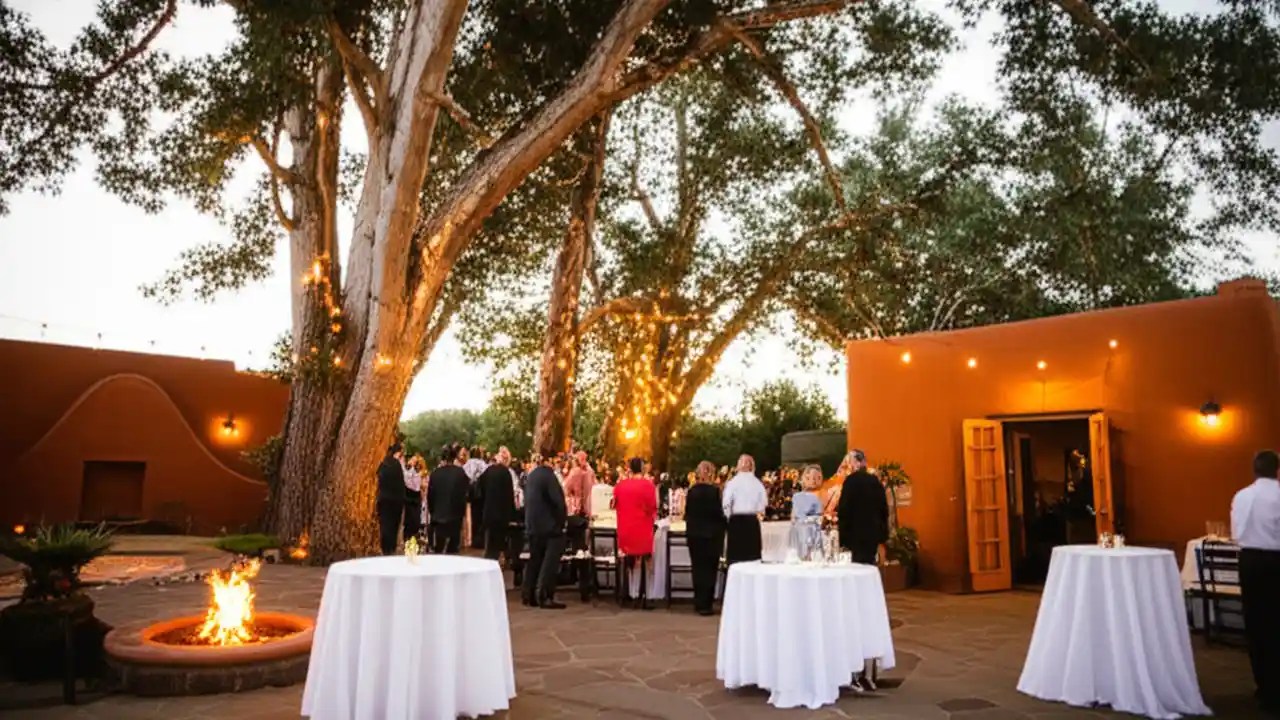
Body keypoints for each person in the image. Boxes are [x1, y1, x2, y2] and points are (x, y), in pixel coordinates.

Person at [1231, 449, 1280, 715]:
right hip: (1276, 562)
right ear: (1277, 470)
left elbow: (1237, 532)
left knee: (1256, 624)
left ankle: (1264, 686)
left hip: (1248, 562)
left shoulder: (1241, 496)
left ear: (1255, 470)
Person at [523, 450, 568, 609]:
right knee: (550, 561)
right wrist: (562, 521)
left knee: (535, 559)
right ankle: (544, 594)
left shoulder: (532, 476)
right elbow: (558, 502)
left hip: (533, 525)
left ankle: (528, 593)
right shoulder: (550, 477)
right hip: (549, 526)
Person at [615, 457, 659, 606]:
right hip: (642, 532)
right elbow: (653, 507)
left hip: (625, 533)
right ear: (643, 468)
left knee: (627, 555)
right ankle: (646, 593)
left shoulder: (620, 486)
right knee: (647, 558)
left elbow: (615, 504)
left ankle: (627, 591)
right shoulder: (648, 486)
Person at [686, 460, 726, 616]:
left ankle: (698, 601)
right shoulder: (716, 492)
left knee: (697, 568)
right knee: (710, 569)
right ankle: (707, 603)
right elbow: (719, 514)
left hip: (695, 534)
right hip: (712, 535)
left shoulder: (692, 492)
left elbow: (688, 512)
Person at [839, 449, 888, 565]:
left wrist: (842, 538)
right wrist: (882, 537)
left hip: (854, 535)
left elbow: (844, 510)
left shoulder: (849, 482)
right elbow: (883, 510)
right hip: (872, 534)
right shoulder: (875, 481)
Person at [722, 454, 767, 565]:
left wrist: (728, 517)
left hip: (736, 522)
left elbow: (726, 504)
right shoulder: (758, 483)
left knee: (736, 558)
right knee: (752, 557)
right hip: (751, 521)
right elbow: (763, 504)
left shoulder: (732, 483)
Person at [427, 444, 470, 554]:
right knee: (453, 548)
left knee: (439, 548)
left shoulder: (435, 474)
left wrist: (433, 512)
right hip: (455, 516)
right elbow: (464, 494)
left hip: (438, 516)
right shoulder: (460, 473)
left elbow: (430, 496)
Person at [478, 447, 516, 562]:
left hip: (488, 511)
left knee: (489, 543)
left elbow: (479, 490)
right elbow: (510, 495)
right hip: (502, 514)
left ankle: (488, 562)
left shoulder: (488, 471)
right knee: (499, 542)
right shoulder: (507, 473)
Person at [376, 443, 406, 555]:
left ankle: (385, 548)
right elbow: (402, 484)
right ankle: (391, 549)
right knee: (393, 526)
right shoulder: (397, 465)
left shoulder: (383, 463)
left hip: (383, 499)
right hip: (396, 501)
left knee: (385, 525)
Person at [564, 451, 595, 553]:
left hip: (575, 509)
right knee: (583, 537)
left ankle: (575, 558)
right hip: (587, 509)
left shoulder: (574, 472)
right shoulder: (590, 472)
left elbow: (566, 488)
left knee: (575, 539)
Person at [464, 446, 488, 549]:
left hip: (471, 493)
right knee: (481, 517)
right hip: (482, 494)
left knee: (473, 517)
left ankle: (473, 539)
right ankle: (480, 540)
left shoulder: (467, 464)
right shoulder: (483, 465)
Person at [403, 455, 424, 546]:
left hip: (415, 497)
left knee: (415, 520)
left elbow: (417, 486)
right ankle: (407, 539)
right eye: (413, 460)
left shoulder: (419, 473)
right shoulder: (406, 470)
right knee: (408, 520)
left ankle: (413, 539)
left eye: (416, 462)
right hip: (408, 497)